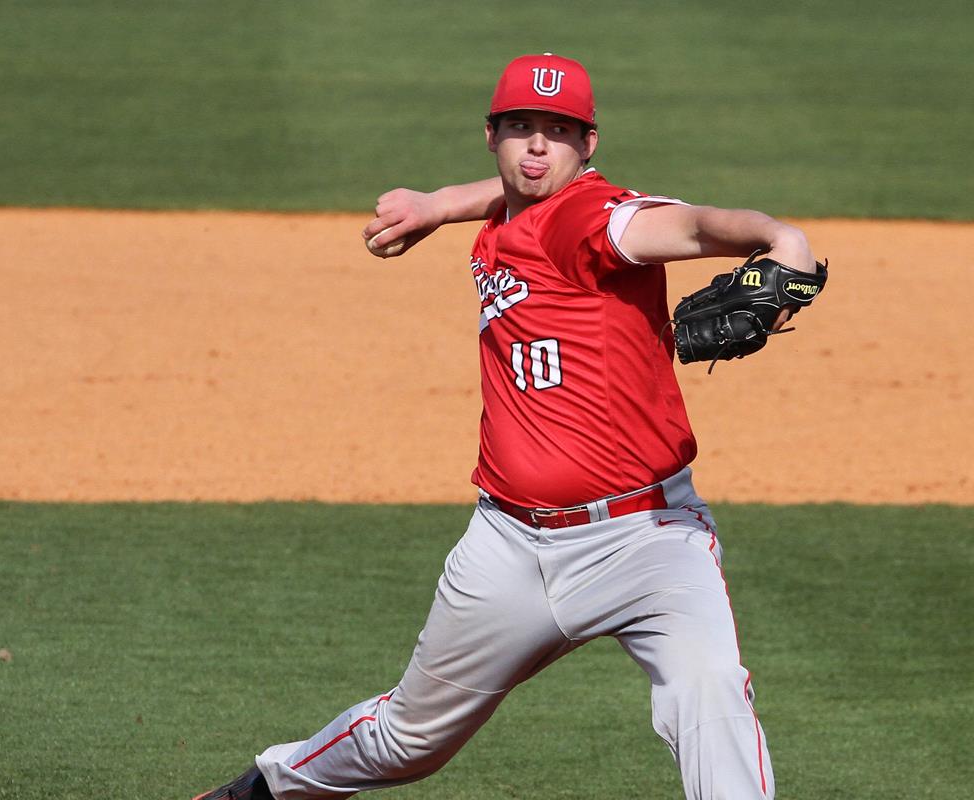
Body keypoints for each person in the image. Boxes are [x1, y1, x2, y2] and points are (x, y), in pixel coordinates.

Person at [193, 52, 823, 800]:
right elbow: (506, 197)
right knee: (409, 740)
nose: (535, 146)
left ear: (587, 146)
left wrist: (779, 236)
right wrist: (433, 205)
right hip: (509, 546)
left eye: (557, 131)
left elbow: (686, 225)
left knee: (710, 693)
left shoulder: (594, 218)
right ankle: (262, 790)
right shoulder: (503, 218)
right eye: (519, 127)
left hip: (648, 540)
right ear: (490, 136)